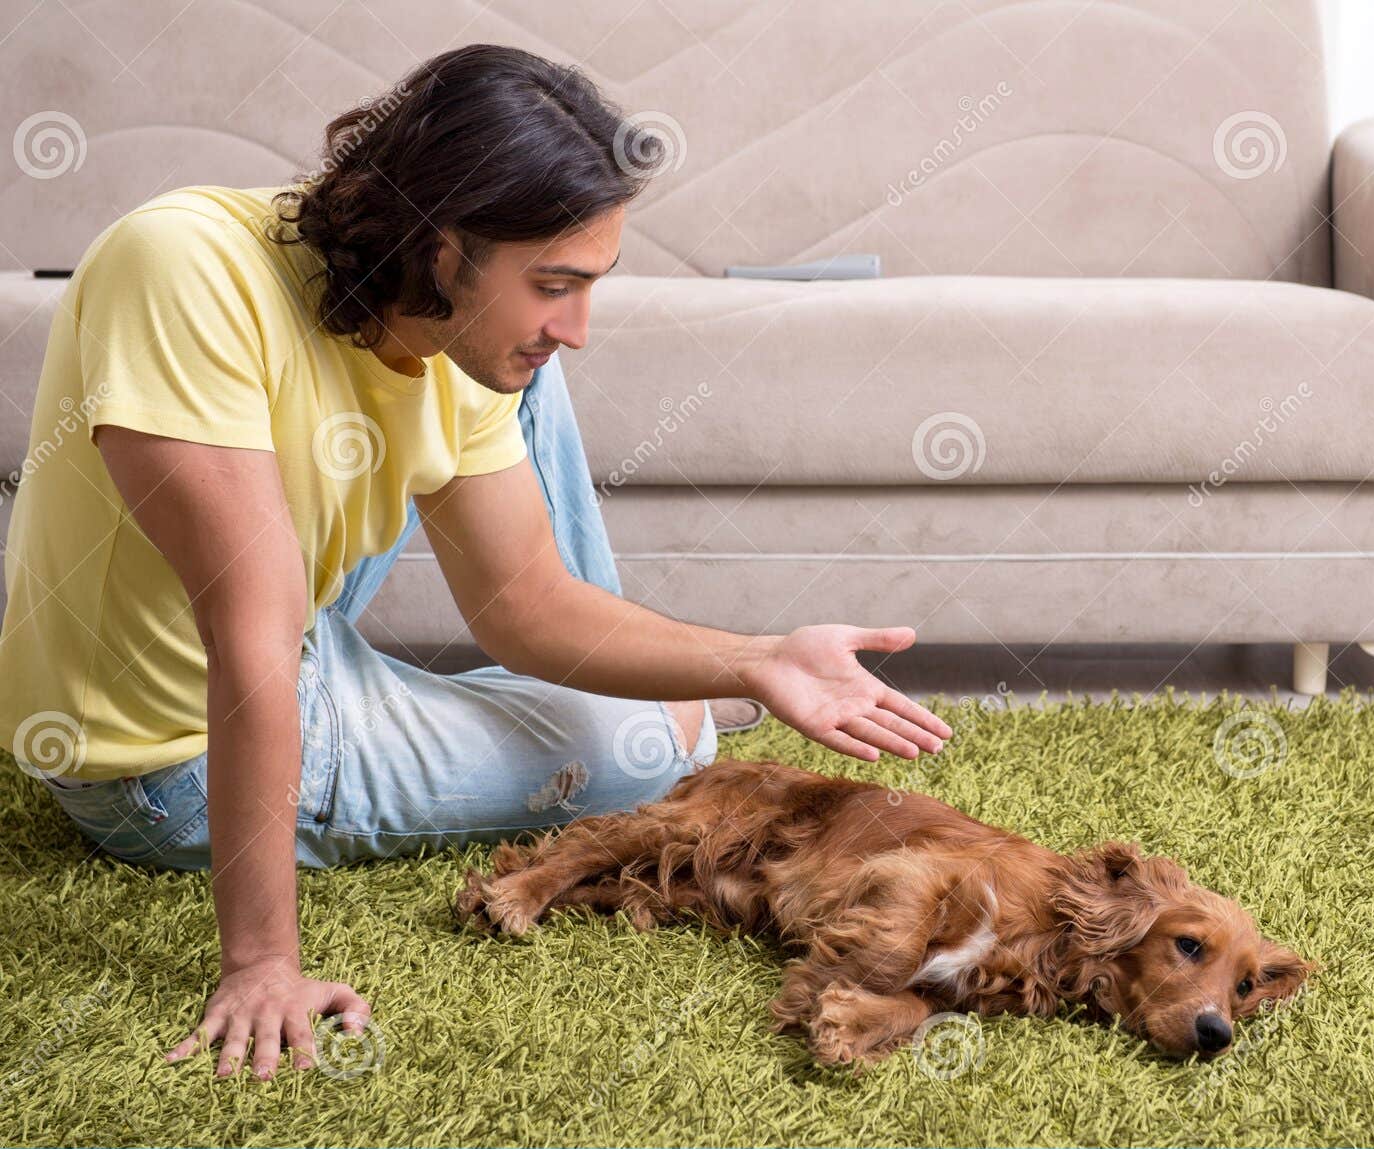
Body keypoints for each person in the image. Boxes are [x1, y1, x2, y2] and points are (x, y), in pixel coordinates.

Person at [0, 44, 951, 1082]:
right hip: (162, 753)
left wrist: (759, 659)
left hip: (293, 625)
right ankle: (659, 728)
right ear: (442, 247)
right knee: (640, 751)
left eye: (590, 284)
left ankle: (653, 700)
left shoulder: (432, 319)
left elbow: (526, 605)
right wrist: (263, 963)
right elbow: (253, 645)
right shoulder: (181, 267)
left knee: (520, 370)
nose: (582, 328)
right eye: (555, 283)